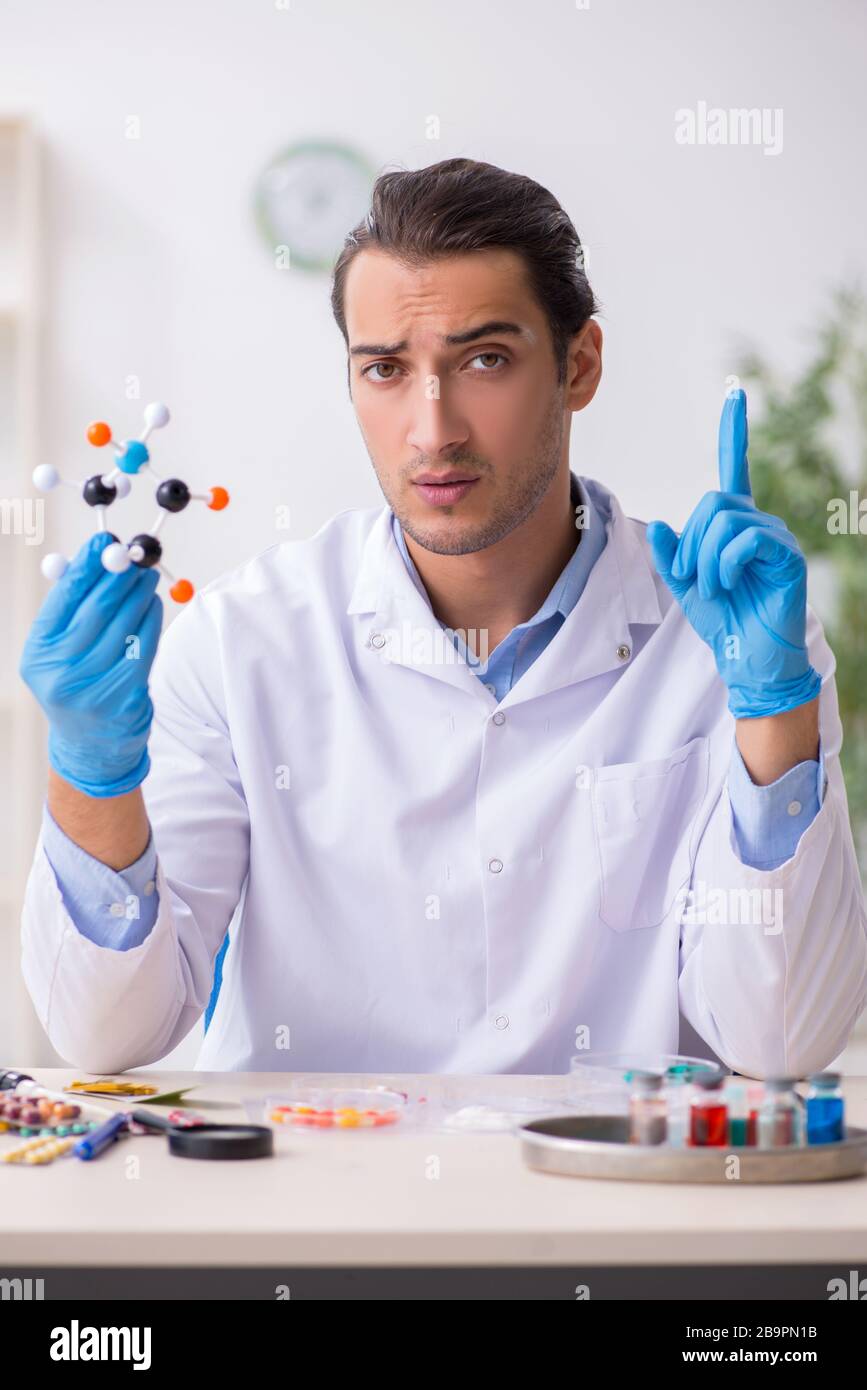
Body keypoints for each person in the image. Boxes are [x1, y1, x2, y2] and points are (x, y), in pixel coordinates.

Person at [18, 158, 867, 1076]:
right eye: (385, 369)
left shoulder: (728, 641)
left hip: (624, 1197)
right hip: (309, 1197)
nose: (432, 430)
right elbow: (106, 1038)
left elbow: (781, 1040)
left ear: (578, 365)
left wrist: (775, 712)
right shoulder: (238, 645)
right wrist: (91, 777)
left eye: (484, 360)